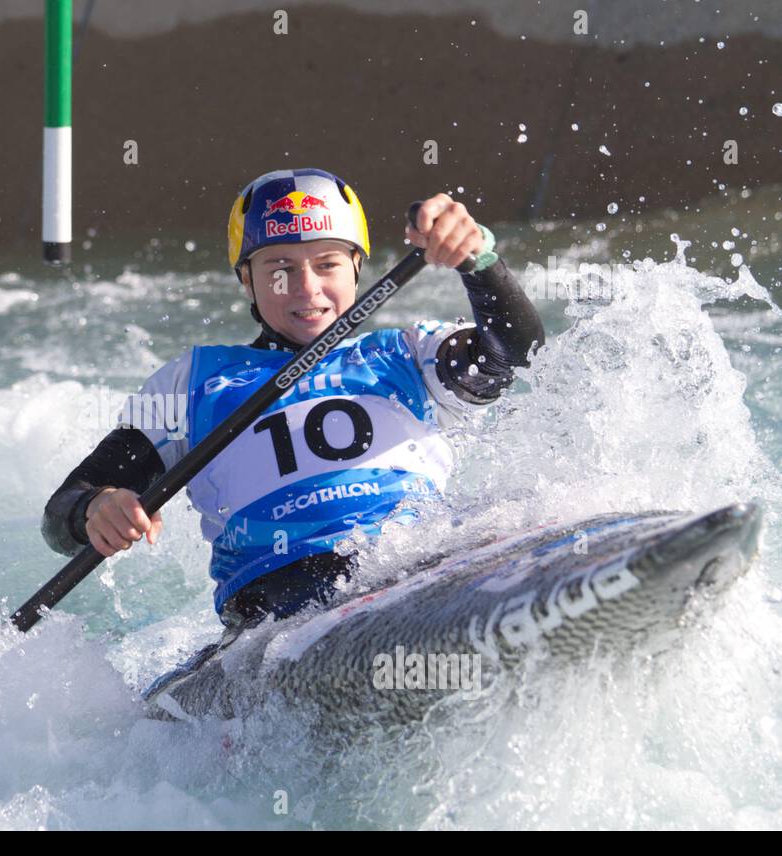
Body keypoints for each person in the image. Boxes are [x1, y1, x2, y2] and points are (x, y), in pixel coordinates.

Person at [41, 167, 544, 635]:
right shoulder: (187, 383)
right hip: (276, 623)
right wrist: (97, 508)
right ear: (246, 280)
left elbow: (514, 354)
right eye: (279, 269)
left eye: (327, 264)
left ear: (356, 268)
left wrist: (479, 261)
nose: (307, 289)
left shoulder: (411, 354)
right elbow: (61, 512)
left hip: (417, 573)